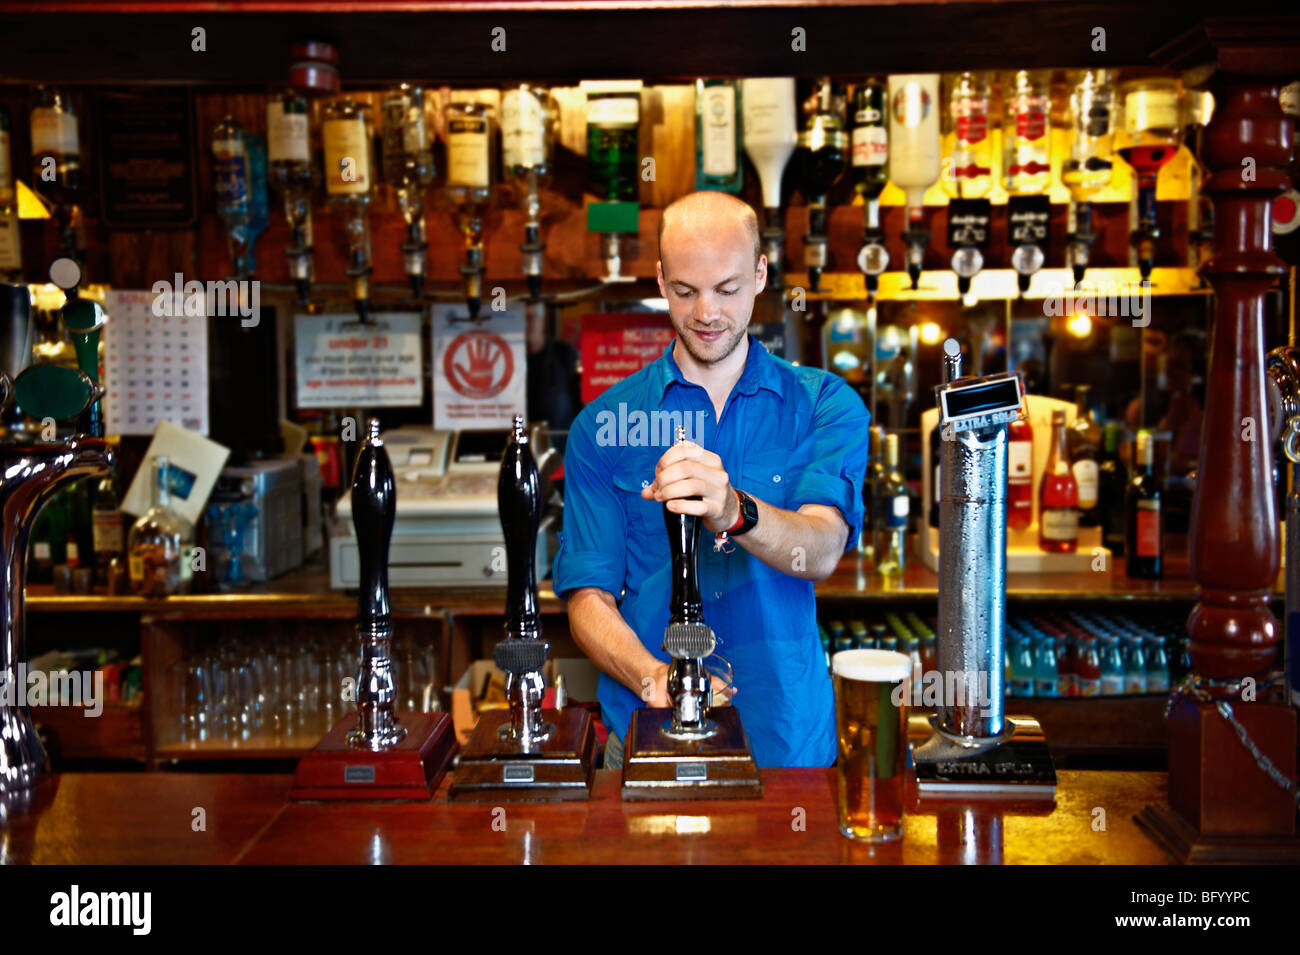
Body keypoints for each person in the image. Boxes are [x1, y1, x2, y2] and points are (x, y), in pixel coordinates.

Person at [551, 191, 870, 768]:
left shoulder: (823, 404)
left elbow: (822, 551)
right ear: (659, 279)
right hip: (648, 735)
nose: (706, 313)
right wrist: (657, 681)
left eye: (726, 290)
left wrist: (735, 511)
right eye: (684, 291)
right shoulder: (602, 426)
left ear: (760, 274)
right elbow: (588, 597)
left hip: (785, 737)